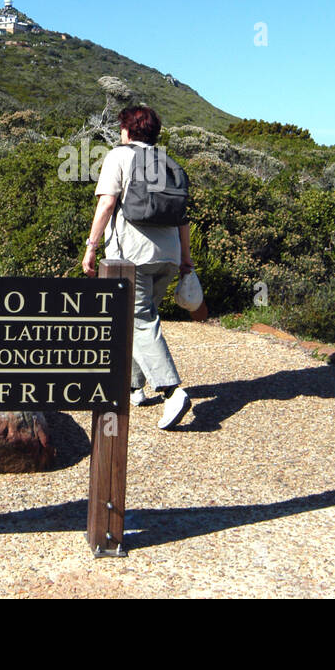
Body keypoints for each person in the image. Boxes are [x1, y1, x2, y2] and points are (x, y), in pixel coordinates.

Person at [82, 106, 193, 429]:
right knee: (139, 321)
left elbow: (106, 203)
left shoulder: (119, 156)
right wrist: (186, 259)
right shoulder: (168, 163)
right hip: (168, 256)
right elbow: (183, 217)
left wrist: (91, 247)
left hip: (132, 256)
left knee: (139, 320)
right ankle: (133, 386)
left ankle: (172, 391)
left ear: (127, 131)